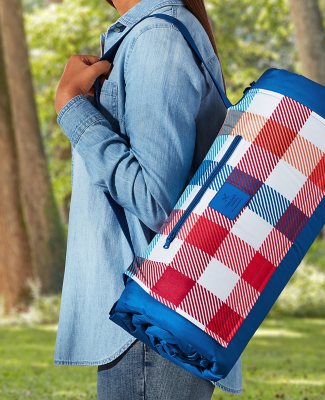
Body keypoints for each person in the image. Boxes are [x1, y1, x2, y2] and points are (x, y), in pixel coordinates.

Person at [53, 0, 243, 398]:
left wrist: (72, 107)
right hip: (154, 318)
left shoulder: (157, 40)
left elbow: (157, 201)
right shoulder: (155, 36)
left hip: (150, 319)